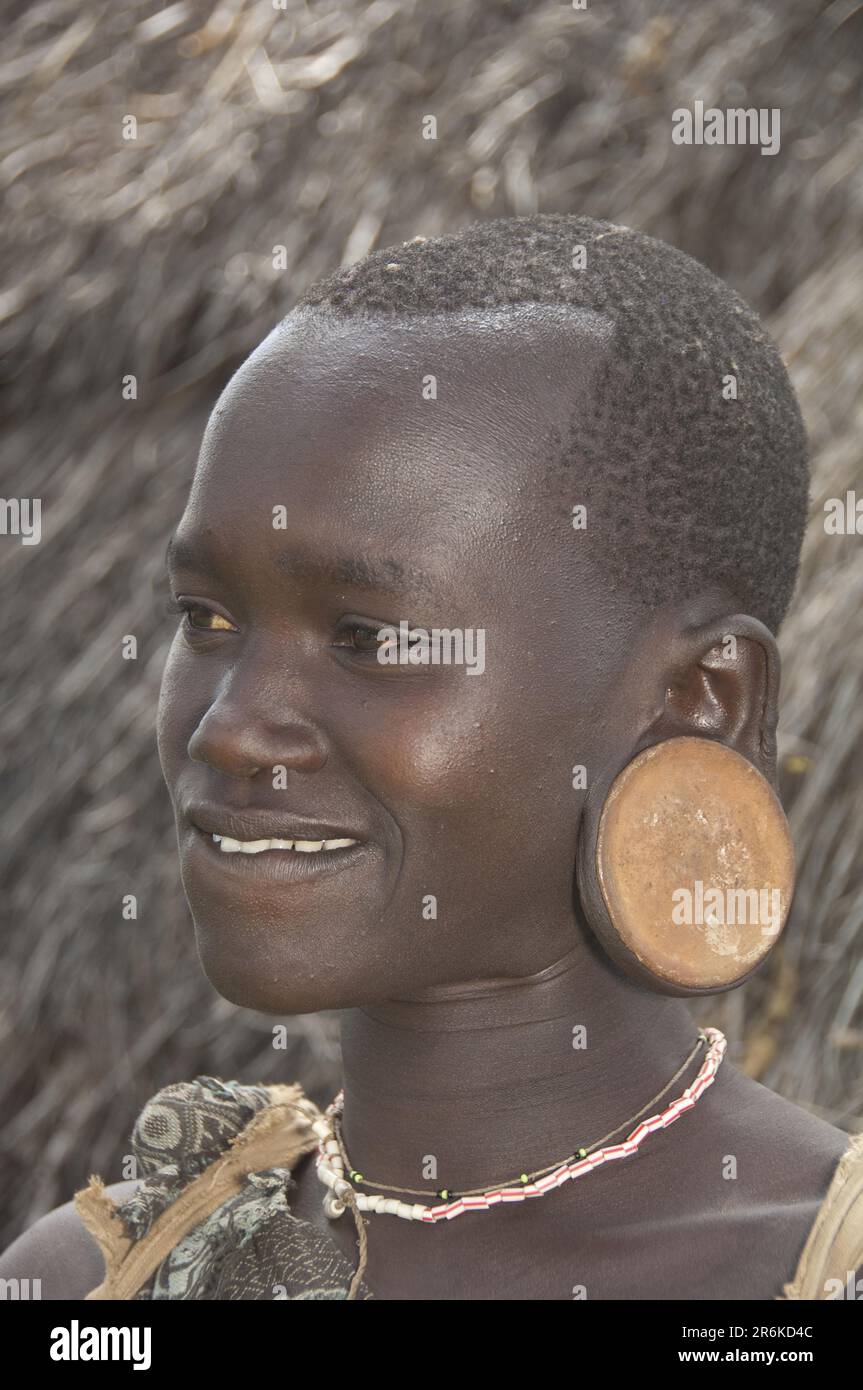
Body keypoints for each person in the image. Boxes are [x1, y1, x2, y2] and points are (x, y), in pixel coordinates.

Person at [3, 214, 862, 1300]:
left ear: (698, 698)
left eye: (368, 640)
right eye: (206, 618)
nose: (227, 726)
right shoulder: (102, 1280)